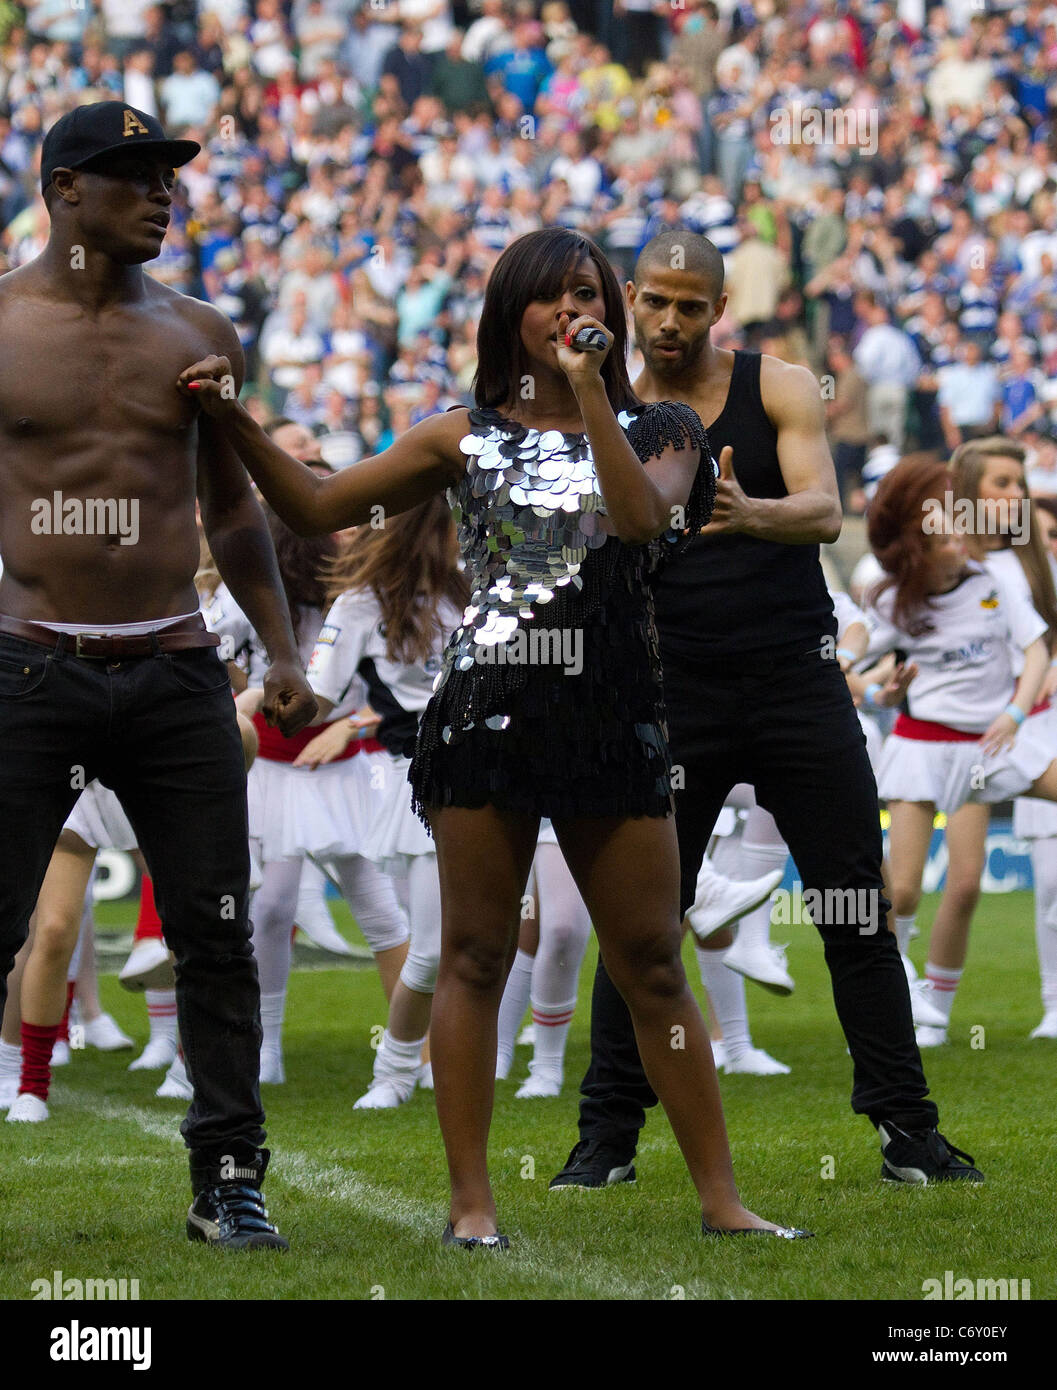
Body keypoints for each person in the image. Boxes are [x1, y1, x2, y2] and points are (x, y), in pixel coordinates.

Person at [180, 226, 810, 1244]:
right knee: (473, 953)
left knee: (650, 958)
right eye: (550, 296)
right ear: (509, 312)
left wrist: (592, 389)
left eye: (588, 291)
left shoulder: (661, 427)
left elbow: (641, 522)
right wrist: (232, 418)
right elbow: (311, 502)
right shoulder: (457, 432)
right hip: (484, 713)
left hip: (615, 715)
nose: (574, 309)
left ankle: (722, 1199)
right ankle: (471, 1205)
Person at [549, 229, 982, 1194]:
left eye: (689, 306)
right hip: (667, 687)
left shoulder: (781, 385)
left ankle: (906, 1130)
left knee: (851, 906)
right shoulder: (602, 402)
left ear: (717, 310)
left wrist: (751, 514)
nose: (668, 321)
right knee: (641, 924)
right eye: (653, 302)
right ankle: (605, 1136)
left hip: (795, 678)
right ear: (630, 297)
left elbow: (826, 510)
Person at [0, 101, 317, 1249]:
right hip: (31, 664)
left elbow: (232, 511)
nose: (163, 192)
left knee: (217, 932)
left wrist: (280, 650)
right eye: (134, 175)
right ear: (65, 191)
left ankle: (230, 1180)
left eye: (170, 173)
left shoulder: (200, 331)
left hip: (177, 664)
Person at [865, 456, 1057, 1048]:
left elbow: (1036, 648)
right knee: (907, 889)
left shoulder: (997, 578)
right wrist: (877, 686)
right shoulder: (893, 596)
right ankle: (898, 1002)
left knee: (967, 884)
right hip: (927, 749)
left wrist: (1016, 711)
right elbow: (851, 661)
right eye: (1003, 482)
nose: (1016, 495)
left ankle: (936, 1010)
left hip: (996, 743)